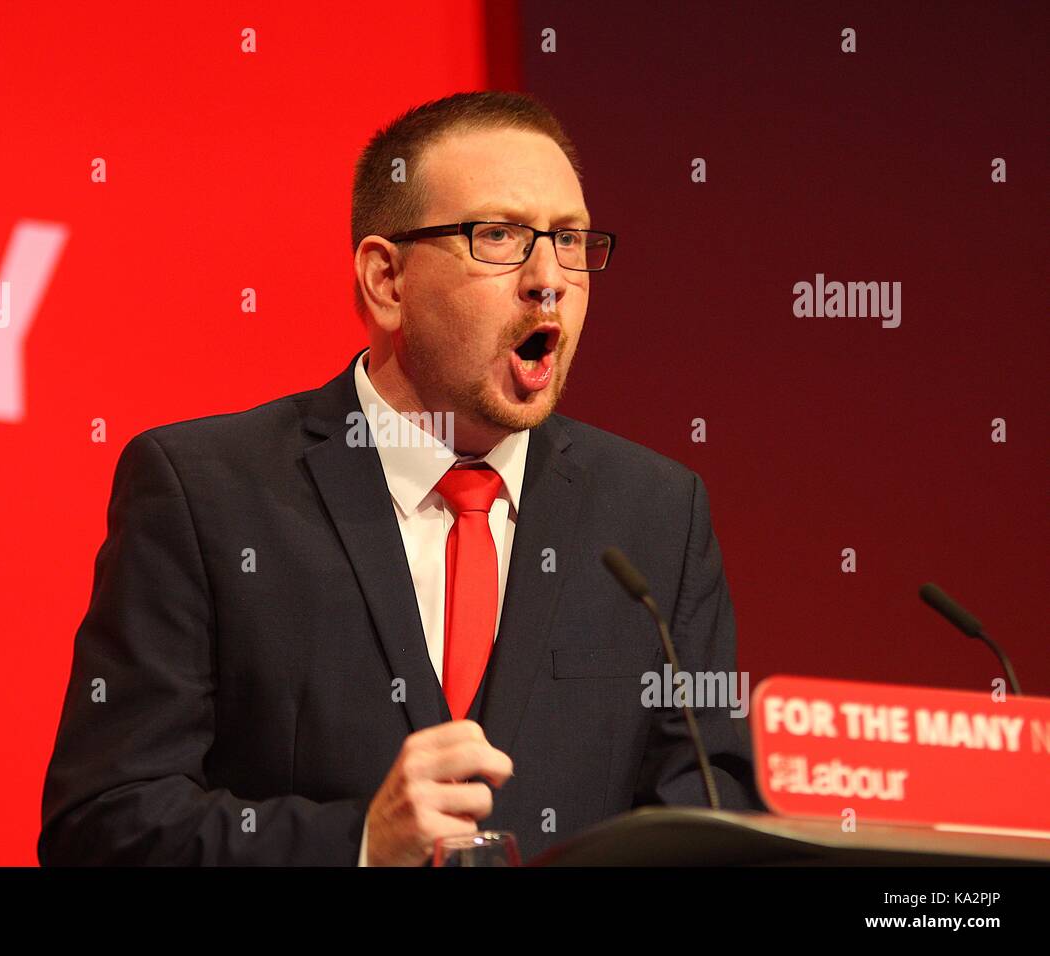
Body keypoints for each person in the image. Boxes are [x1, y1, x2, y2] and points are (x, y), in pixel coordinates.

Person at [38, 90, 760, 867]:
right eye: (500, 236)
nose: (549, 279)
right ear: (387, 281)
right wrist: (360, 845)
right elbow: (104, 825)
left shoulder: (656, 517)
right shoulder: (208, 493)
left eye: (572, 241)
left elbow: (709, 819)